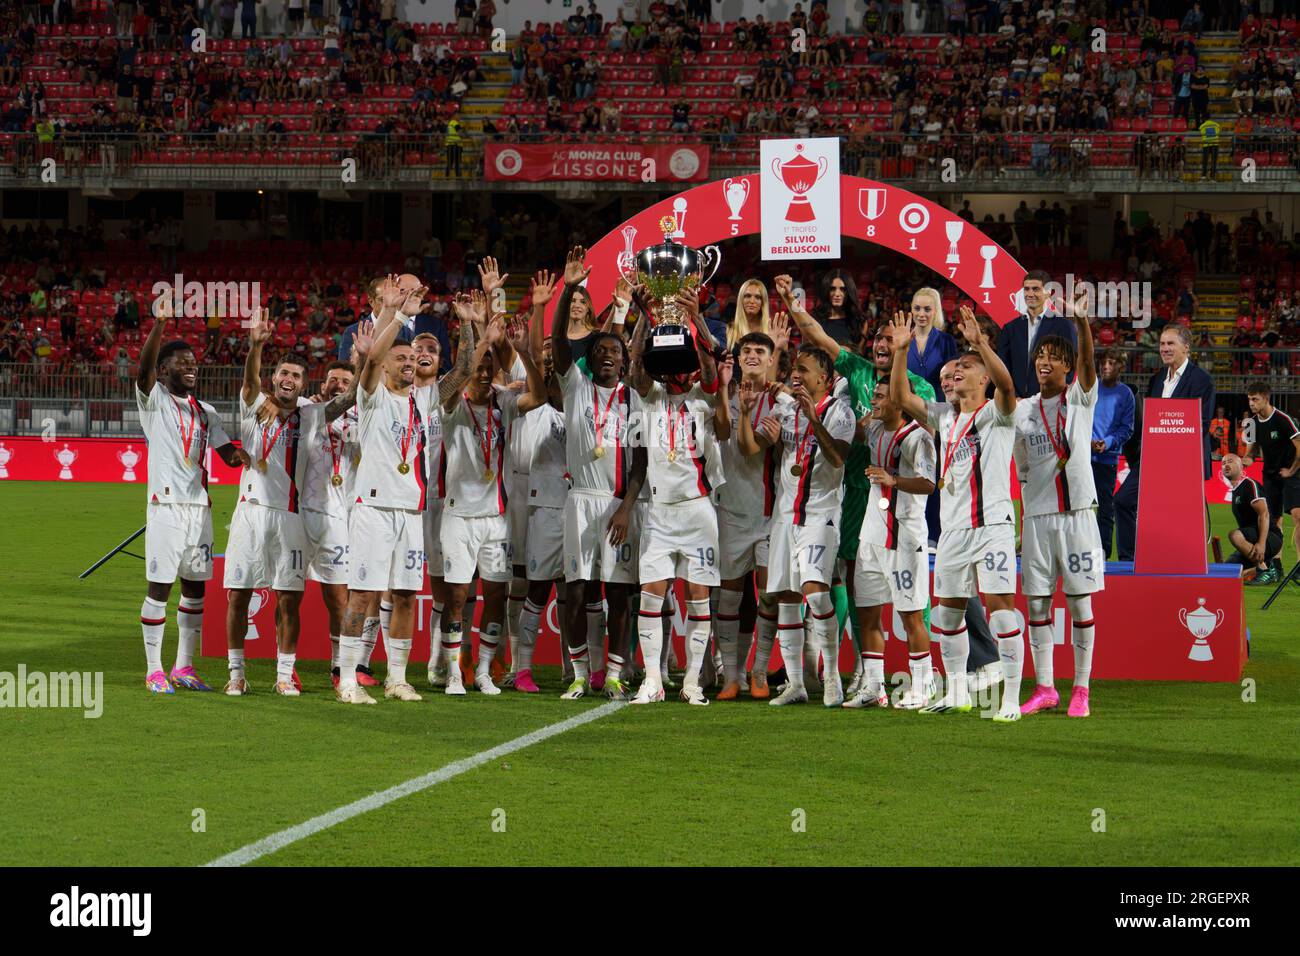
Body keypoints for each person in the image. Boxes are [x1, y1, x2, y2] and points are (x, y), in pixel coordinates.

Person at [888, 306, 1019, 717]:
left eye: (966, 367)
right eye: (955, 366)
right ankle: (959, 691)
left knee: (999, 610)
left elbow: (1009, 386)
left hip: (992, 525)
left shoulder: (998, 413)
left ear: (984, 379)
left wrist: (980, 343)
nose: (957, 371)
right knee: (947, 612)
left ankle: (1011, 700)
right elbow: (900, 398)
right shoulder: (945, 417)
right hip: (953, 531)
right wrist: (900, 352)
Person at [223, 311, 352, 697]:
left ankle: (283, 676)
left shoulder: (312, 416)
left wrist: (362, 363)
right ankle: (236, 673)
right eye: (283, 374)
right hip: (250, 513)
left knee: (289, 599)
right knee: (239, 595)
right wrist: (257, 346)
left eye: (296, 376)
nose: (288, 380)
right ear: (274, 378)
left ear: (303, 385)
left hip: (291, 518)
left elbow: (351, 399)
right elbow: (250, 380)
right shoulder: (254, 405)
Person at [334, 280, 443, 704]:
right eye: (401, 357)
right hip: (374, 508)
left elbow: (462, 376)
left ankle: (397, 678)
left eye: (413, 358)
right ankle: (346, 680)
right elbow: (373, 356)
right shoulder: (372, 397)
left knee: (404, 595)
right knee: (363, 595)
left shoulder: (422, 402)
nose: (409, 363)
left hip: (410, 512)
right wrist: (395, 315)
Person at [134, 299, 247, 694]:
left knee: (195, 587)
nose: (191, 367)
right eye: (181, 363)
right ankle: (153, 669)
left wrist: (250, 454)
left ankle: (184, 667)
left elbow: (228, 456)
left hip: (199, 510)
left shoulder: (207, 412)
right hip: (165, 508)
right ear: (164, 371)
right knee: (160, 587)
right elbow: (143, 368)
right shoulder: (155, 402)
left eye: (194, 362)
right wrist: (160, 324)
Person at [552, 247, 647, 701]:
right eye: (602, 350)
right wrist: (570, 288)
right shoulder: (575, 387)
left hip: (618, 505)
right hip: (580, 500)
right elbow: (556, 346)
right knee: (575, 590)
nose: (608, 355)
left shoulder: (635, 400)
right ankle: (576, 673)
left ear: (625, 363)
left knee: (620, 593)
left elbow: (643, 460)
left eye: (616, 352)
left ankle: (611, 674)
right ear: (592, 358)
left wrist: (628, 507)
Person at [626, 286, 726, 706]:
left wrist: (697, 319)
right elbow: (635, 370)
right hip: (659, 513)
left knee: (697, 597)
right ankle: (652, 680)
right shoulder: (650, 400)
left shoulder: (703, 401)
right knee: (651, 594)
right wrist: (646, 315)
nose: (676, 374)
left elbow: (711, 372)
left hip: (698, 511)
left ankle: (691, 683)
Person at [439, 305, 546, 696]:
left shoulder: (503, 402)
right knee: (457, 597)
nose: (484, 371)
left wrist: (524, 354)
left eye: (489, 365)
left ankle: (483, 670)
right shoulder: (449, 404)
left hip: (496, 518)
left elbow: (539, 395)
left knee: (497, 595)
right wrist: (478, 336)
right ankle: (454, 672)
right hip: (458, 517)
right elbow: (459, 378)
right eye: (478, 366)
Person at [739, 344, 855, 707]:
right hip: (786, 515)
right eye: (795, 370)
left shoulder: (841, 412)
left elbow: (837, 458)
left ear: (824, 378)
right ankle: (795, 684)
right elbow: (753, 448)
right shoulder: (784, 409)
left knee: (816, 591)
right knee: (787, 598)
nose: (796, 375)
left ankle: (832, 677)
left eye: (804, 370)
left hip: (820, 514)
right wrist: (759, 431)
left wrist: (813, 418)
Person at [1014, 292, 1102, 720]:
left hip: (1077, 517)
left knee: (1081, 604)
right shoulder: (1023, 410)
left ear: (1067, 365)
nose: (1044, 362)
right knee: (1036, 605)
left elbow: (1089, 369)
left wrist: (1082, 324)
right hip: (1036, 518)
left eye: (1053, 356)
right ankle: (1045, 687)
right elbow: (1022, 469)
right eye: (1039, 356)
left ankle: (1081, 689)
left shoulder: (1079, 401)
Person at [843, 377, 937, 710]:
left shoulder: (918, 438)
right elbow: (854, 432)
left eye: (881, 397)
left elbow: (929, 483)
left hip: (904, 538)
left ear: (899, 401)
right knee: (867, 613)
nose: (874, 401)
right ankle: (873, 688)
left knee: (911, 615)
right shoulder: (874, 430)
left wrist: (893, 479)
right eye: (874, 396)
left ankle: (923, 687)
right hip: (871, 537)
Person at [713, 333, 786, 699]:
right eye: (747, 351)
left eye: (761, 351)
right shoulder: (723, 395)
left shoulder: (779, 401)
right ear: (738, 358)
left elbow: (749, 447)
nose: (753, 356)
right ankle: (731, 675)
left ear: (772, 359)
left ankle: (758, 671)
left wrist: (746, 411)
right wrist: (729, 397)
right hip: (729, 512)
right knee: (729, 598)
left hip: (767, 514)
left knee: (768, 594)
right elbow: (722, 431)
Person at [1113, 324, 1216, 562]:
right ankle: (1129, 560)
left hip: (1184, 463)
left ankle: (1184, 562)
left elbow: (1202, 424)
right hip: (1154, 458)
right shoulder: (1157, 379)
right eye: (1162, 344)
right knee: (1123, 500)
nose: (1165, 348)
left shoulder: (1202, 380)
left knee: (1178, 519)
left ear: (1186, 348)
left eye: (1171, 343)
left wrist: (1170, 441)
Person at [1242, 382, 1300, 577]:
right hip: (1270, 475)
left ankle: (1299, 567)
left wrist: (1291, 470)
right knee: (1273, 522)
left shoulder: (1284, 419)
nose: (1251, 403)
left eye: (1255, 399)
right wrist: (1245, 460)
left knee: (1298, 515)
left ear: (1266, 399)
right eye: (1249, 399)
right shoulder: (1251, 423)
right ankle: (1276, 567)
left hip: (1294, 472)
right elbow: (1251, 452)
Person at [995, 270, 1078, 398]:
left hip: (1050, 401)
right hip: (1016, 403)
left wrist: (1053, 396)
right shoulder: (1010, 328)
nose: (1030, 294)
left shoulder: (1063, 326)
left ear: (1048, 292)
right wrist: (1013, 397)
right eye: (1026, 289)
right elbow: (1002, 366)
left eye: (1035, 289)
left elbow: (1071, 365)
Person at [1090, 348, 1134, 559]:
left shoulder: (1126, 394)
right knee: (1076, 508)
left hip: (1106, 460)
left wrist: (1106, 443)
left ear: (1121, 367)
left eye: (1112, 362)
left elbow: (1127, 429)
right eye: (1103, 362)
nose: (1106, 366)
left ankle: (1102, 555)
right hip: (1080, 457)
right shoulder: (1089, 387)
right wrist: (1085, 440)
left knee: (1105, 511)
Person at [1221, 453, 1282, 584]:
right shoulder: (1236, 490)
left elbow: (1264, 514)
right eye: (1223, 463)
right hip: (1252, 540)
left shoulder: (1249, 484)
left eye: (1230, 461)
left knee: (1234, 535)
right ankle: (1264, 567)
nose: (1226, 465)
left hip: (1270, 537)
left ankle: (1264, 570)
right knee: (1226, 572)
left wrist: (1261, 544)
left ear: (1241, 465)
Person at [906, 287, 958, 396]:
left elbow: (953, 379)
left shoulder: (947, 341)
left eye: (927, 309)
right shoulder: (902, 340)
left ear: (935, 311)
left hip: (938, 407)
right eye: (917, 308)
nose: (921, 314)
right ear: (911, 309)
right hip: (907, 406)